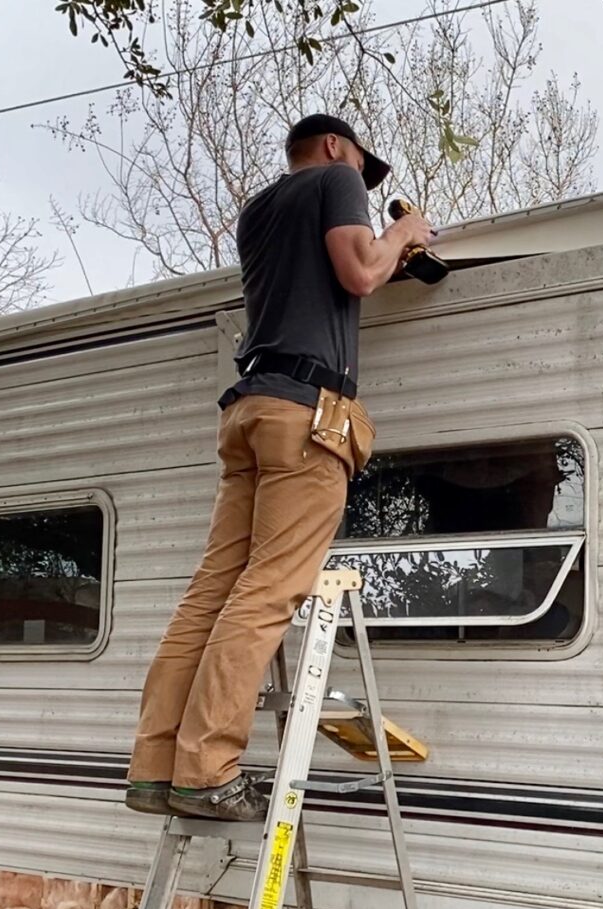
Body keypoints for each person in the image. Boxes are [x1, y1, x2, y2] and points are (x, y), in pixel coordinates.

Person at [125, 113, 436, 821]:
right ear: (333, 147)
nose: (362, 183)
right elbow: (359, 272)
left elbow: (327, 281)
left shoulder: (259, 211)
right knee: (266, 593)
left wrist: (390, 254)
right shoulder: (335, 180)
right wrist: (403, 233)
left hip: (250, 409)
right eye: (360, 167)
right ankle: (206, 772)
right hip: (304, 414)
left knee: (212, 592)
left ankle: (154, 767)